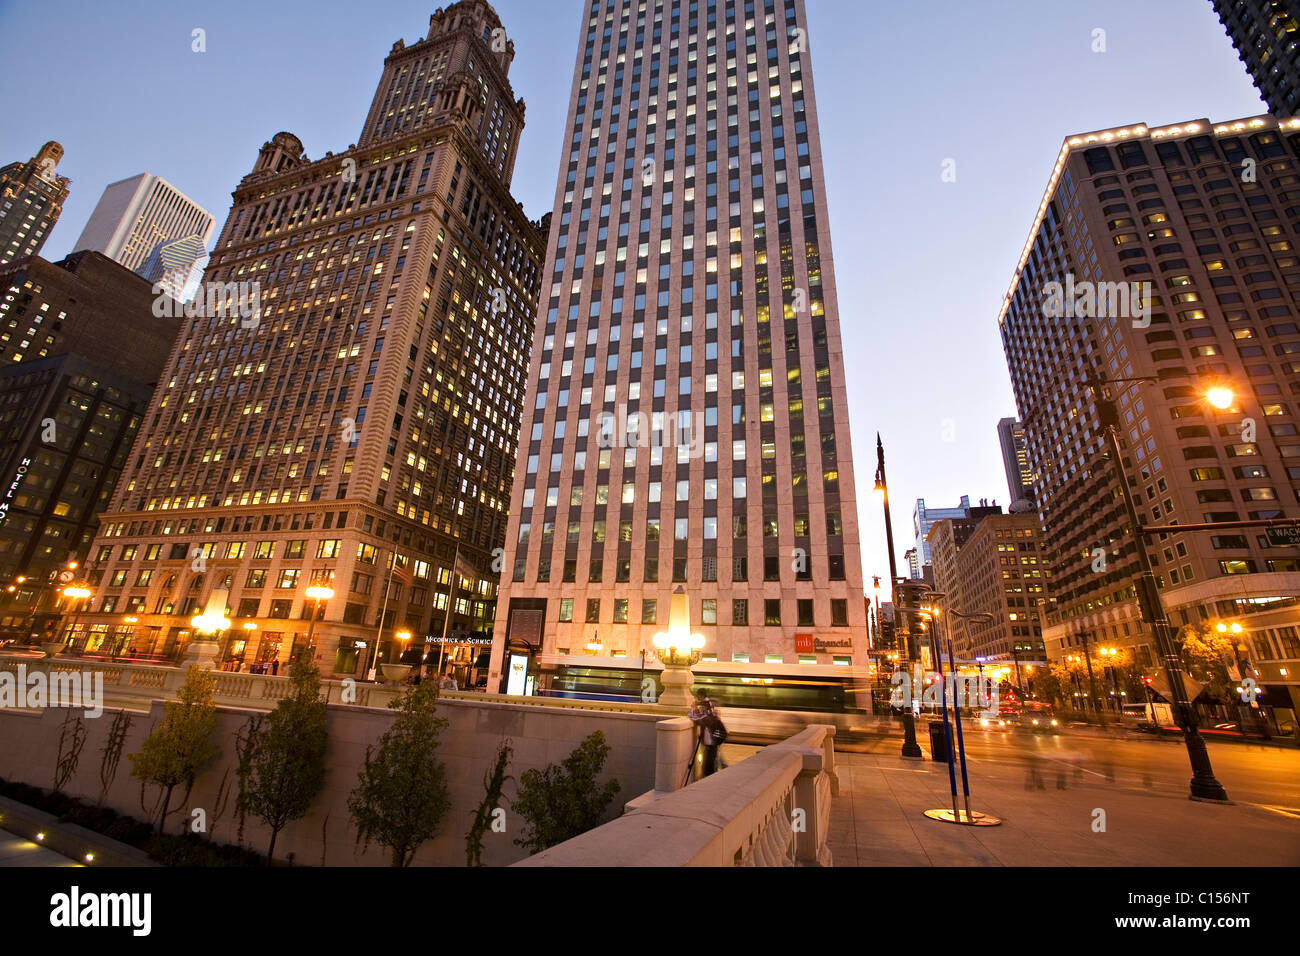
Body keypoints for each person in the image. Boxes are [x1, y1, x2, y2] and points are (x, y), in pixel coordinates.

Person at [688, 691, 727, 777]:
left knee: (708, 766)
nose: (701, 709)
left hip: (711, 744)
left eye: (702, 708)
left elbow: (693, 717)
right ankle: (719, 768)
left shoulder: (707, 718)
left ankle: (710, 777)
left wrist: (693, 708)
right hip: (712, 744)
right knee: (712, 761)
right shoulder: (710, 715)